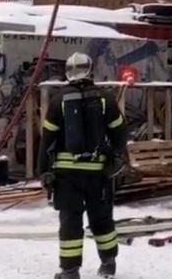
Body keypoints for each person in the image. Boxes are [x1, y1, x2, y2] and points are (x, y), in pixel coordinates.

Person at [38, 52, 129, 279]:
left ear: (67, 72)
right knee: (102, 218)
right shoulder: (105, 99)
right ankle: (108, 264)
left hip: (67, 176)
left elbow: (46, 141)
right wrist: (116, 156)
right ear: (91, 70)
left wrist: (44, 172)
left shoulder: (59, 101)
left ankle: (70, 271)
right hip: (98, 174)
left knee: (71, 221)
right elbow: (120, 133)